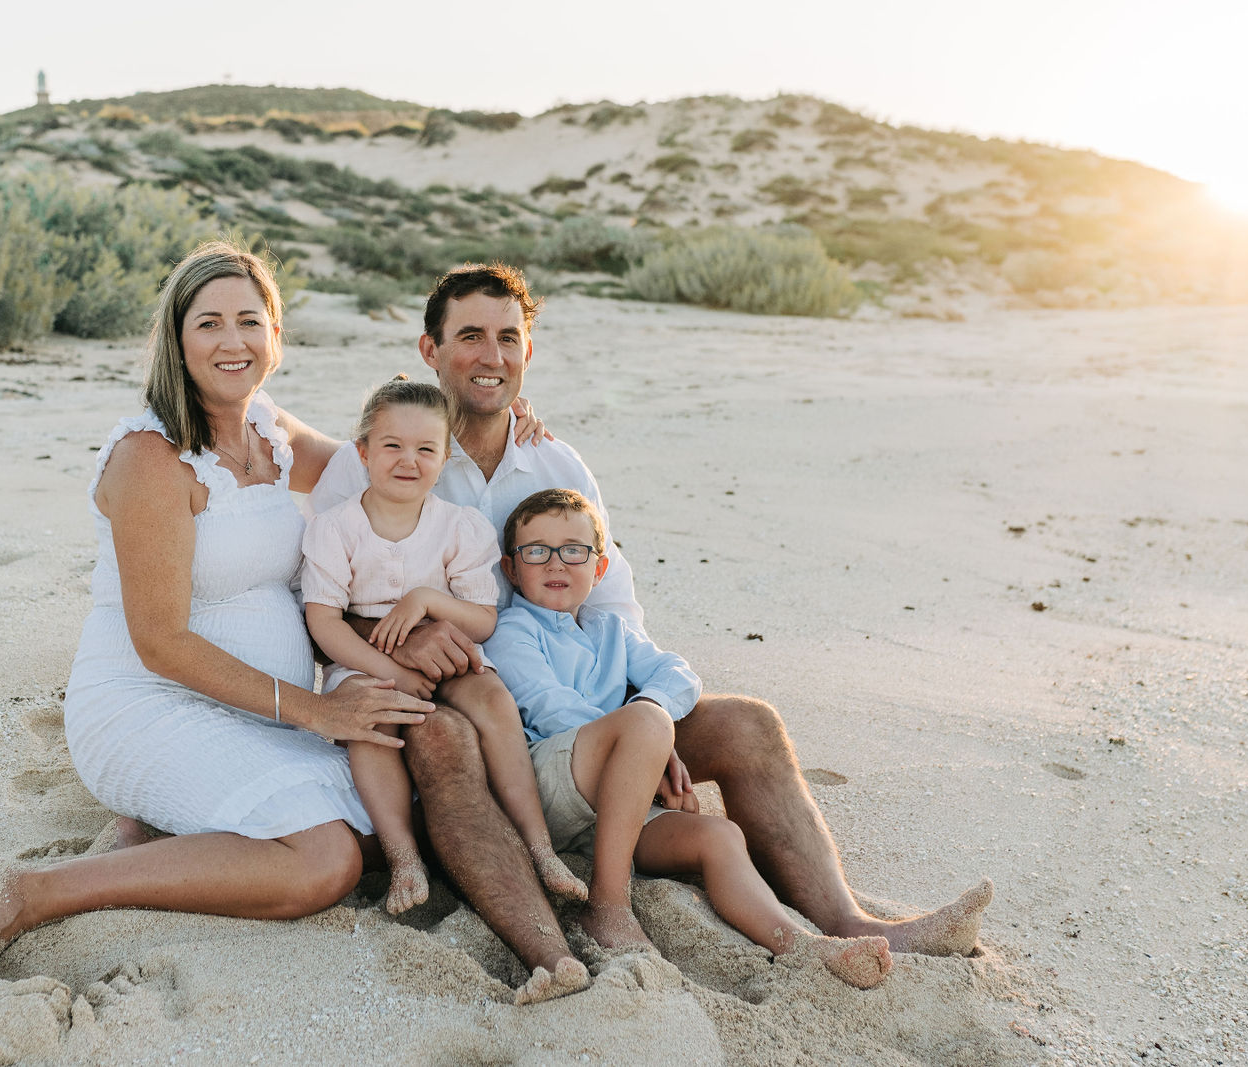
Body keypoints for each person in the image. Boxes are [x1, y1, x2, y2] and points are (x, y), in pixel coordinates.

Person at [0, 244, 583, 1006]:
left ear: (275, 336)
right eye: (208, 322)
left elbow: (389, 460)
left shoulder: (271, 431)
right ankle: (40, 890)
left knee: (383, 820)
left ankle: (153, 827)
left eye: (250, 321)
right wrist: (319, 708)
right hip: (148, 703)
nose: (232, 341)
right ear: (176, 339)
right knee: (325, 860)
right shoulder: (151, 457)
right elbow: (161, 640)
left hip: (261, 714)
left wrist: (493, 414)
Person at [309, 263, 992, 962]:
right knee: (442, 736)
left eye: (508, 338)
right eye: (470, 337)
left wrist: (650, 725)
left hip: (583, 718)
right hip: (460, 706)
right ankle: (555, 954)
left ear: (528, 353)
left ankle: (848, 922)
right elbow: (314, 593)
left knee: (749, 725)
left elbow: (612, 603)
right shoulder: (390, 450)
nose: (492, 357)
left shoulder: (556, 463)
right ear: (430, 350)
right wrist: (391, 638)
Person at [489, 489, 894, 987]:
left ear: (598, 569)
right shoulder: (513, 629)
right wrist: (645, 738)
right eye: (537, 551)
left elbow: (677, 674)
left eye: (574, 549)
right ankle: (608, 904)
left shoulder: (610, 628)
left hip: (617, 805)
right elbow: (549, 708)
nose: (557, 562)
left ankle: (801, 945)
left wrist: (649, 719)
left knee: (719, 837)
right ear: (511, 569)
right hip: (549, 785)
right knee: (647, 723)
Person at [302, 379, 587, 917]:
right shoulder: (334, 529)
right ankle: (403, 855)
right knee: (372, 721)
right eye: (391, 446)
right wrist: (390, 669)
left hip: (453, 657)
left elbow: (482, 619)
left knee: (493, 698)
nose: (408, 460)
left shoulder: (460, 526)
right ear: (362, 452)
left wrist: (428, 599)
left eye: (426, 449)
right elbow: (324, 624)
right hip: (362, 666)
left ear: (444, 458)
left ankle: (538, 843)